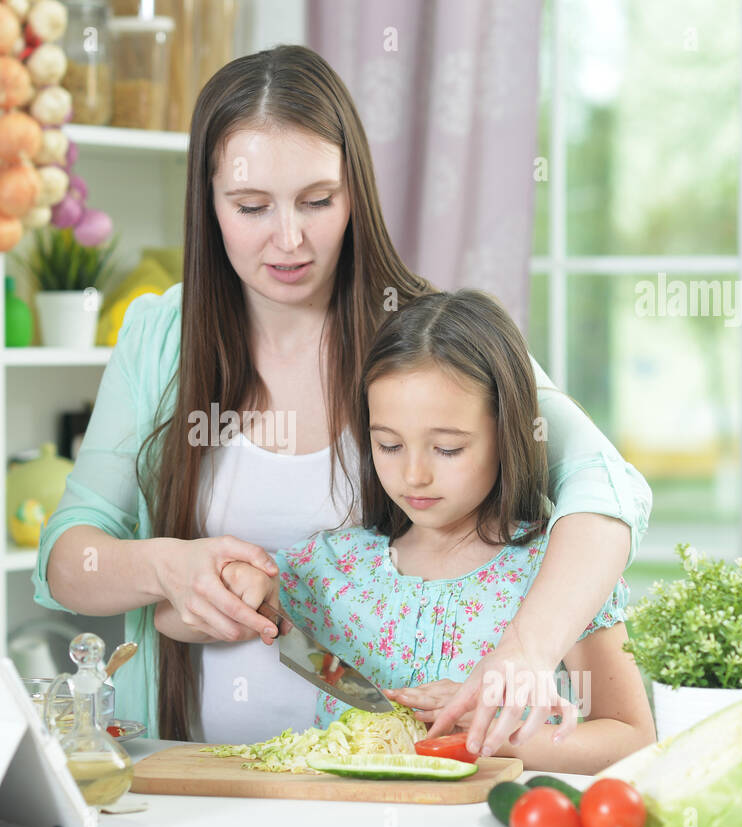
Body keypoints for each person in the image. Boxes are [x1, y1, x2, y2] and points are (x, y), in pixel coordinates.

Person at [33, 44, 652, 747]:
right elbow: (65, 559)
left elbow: (605, 485)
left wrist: (527, 649)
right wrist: (165, 568)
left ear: (355, 189)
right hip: (194, 774)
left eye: (318, 201)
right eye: (251, 206)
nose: (289, 239)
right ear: (208, 202)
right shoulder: (160, 336)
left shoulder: (424, 340)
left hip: (369, 790)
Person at [177, 290, 655, 773]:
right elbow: (169, 620)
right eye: (389, 445)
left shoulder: (558, 574)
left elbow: (633, 740)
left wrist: (491, 738)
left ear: (507, 432)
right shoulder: (337, 567)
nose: (414, 475)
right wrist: (237, 583)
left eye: (447, 449)